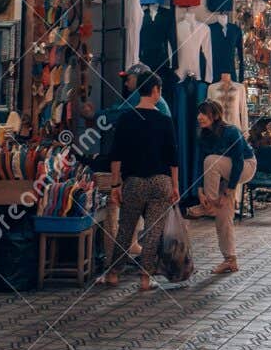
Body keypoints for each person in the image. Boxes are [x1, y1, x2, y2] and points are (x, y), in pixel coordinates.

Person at [106, 73, 179, 293]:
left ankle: (113, 274)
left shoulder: (126, 118)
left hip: (134, 182)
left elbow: (116, 156)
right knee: (153, 231)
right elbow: (172, 157)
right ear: (156, 90)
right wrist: (175, 186)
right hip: (160, 181)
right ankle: (145, 279)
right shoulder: (165, 121)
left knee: (125, 229)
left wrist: (115, 185)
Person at [197, 100, 254, 274]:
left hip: (245, 166)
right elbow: (203, 165)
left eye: (204, 113)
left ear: (214, 115)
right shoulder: (204, 135)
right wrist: (200, 189)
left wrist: (230, 190)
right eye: (199, 113)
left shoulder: (231, 131)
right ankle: (230, 260)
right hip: (221, 171)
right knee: (223, 216)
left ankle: (211, 204)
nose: (199, 117)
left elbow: (237, 161)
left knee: (211, 161)